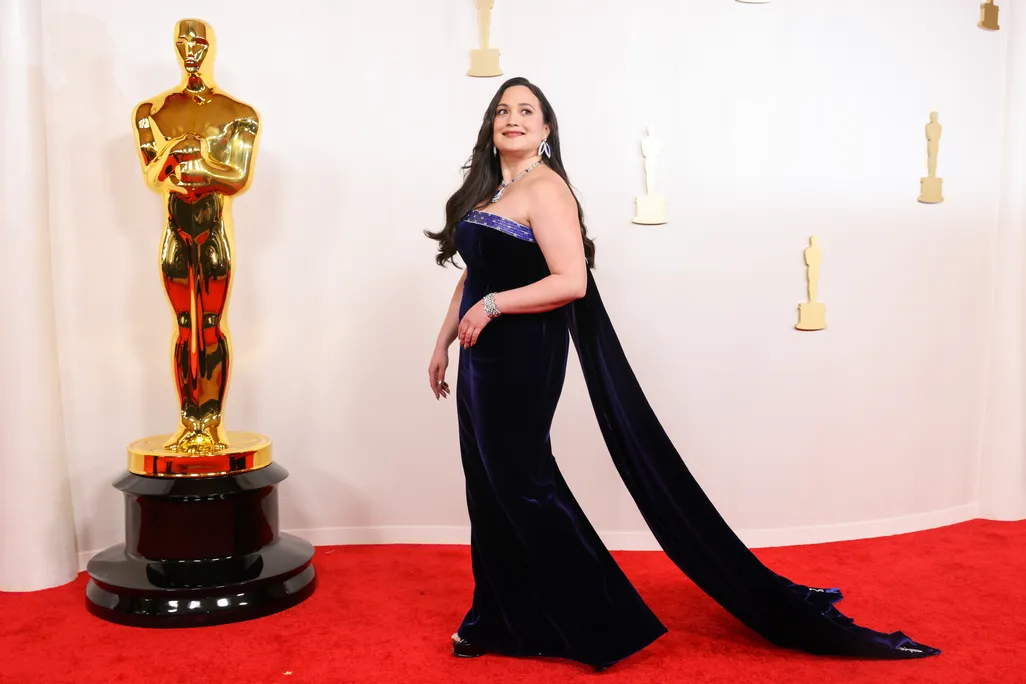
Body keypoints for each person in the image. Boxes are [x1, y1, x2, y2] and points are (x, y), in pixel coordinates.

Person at [425, 76, 939, 671]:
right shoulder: (490, 194)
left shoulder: (547, 191)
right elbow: (472, 275)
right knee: (487, 492)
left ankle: (605, 621)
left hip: (520, 358)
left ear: (546, 130)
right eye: (503, 110)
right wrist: (441, 344)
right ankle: (498, 616)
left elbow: (572, 282)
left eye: (527, 111)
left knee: (525, 489)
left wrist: (492, 309)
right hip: (476, 359)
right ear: (492, 125)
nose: (512, 118)